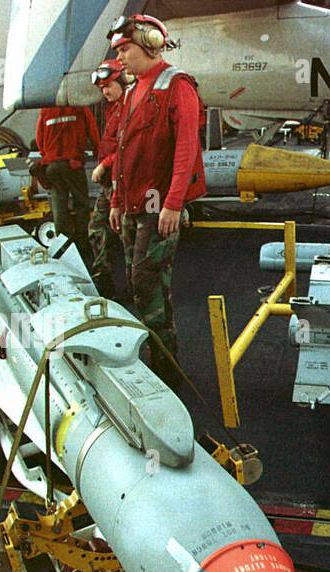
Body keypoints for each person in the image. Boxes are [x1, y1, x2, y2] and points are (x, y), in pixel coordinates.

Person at [106, 13, 206, 391]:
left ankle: (167, 375)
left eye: (125, 49)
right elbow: (122, 149)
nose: (120, 59)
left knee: (146, 284)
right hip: (132, 207)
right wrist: (116, 201)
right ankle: (163, 366)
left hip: (158, 208)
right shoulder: (133, 90)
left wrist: (174, 204)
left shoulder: (176, 85)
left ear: (150, 42)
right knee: (145, 286)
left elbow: (186, 148)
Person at [35, 101, 99, 270]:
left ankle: (63, 246)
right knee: (81, 204)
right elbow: (93, 132)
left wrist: (47, 156)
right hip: (72, 164)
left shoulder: (45, 108)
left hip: (51, 166)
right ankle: (82, 245)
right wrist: (99, 155)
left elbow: (39, 139)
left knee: (59, 206)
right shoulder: (79, 106)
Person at [88, 58, 131, 300]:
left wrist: (104, 165)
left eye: (108, 86)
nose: (105, 92)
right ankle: (102, 278)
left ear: (121, 82)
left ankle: (135, 284)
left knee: (128, 235)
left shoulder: (129, 108)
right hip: (108, 183)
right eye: (102, 88)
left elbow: (128, 147)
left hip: (121, 183)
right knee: (96, 228)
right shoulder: (113, 108)